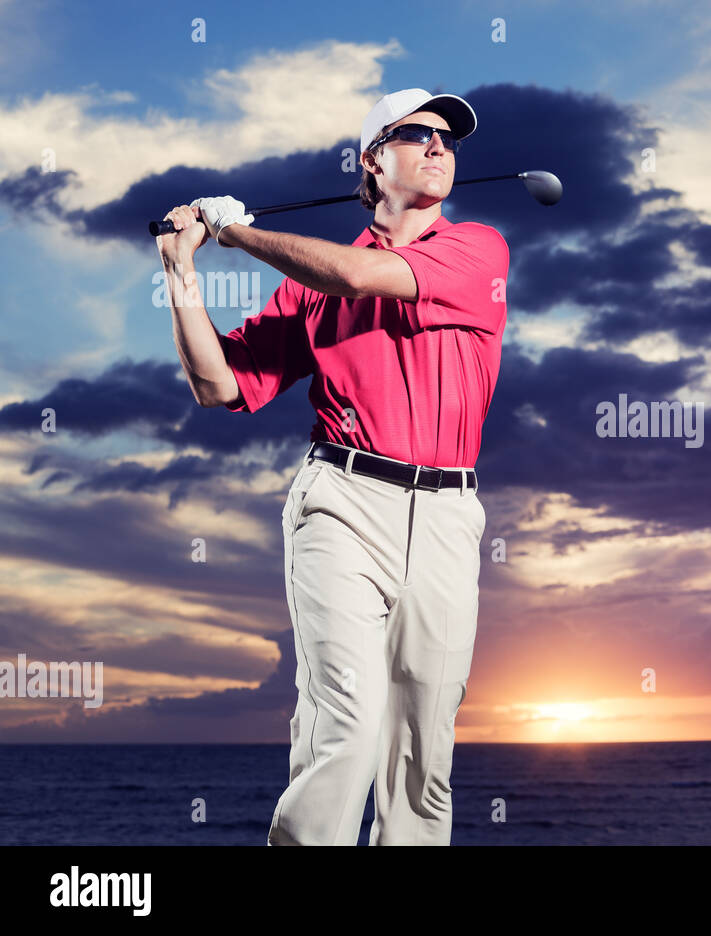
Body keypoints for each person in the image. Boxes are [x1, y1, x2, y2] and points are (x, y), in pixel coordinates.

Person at [153, 89, 508, 845]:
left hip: (446, 517)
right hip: (341, 503)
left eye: (449, 137)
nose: (440, 146)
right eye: (418, 133)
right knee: (344, 725)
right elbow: (218, 385)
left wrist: (238, 233)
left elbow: (357, 277)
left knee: (422, 755)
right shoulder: (308, 288)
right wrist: (182, 273)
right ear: (373, 159)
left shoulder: (478, 250)